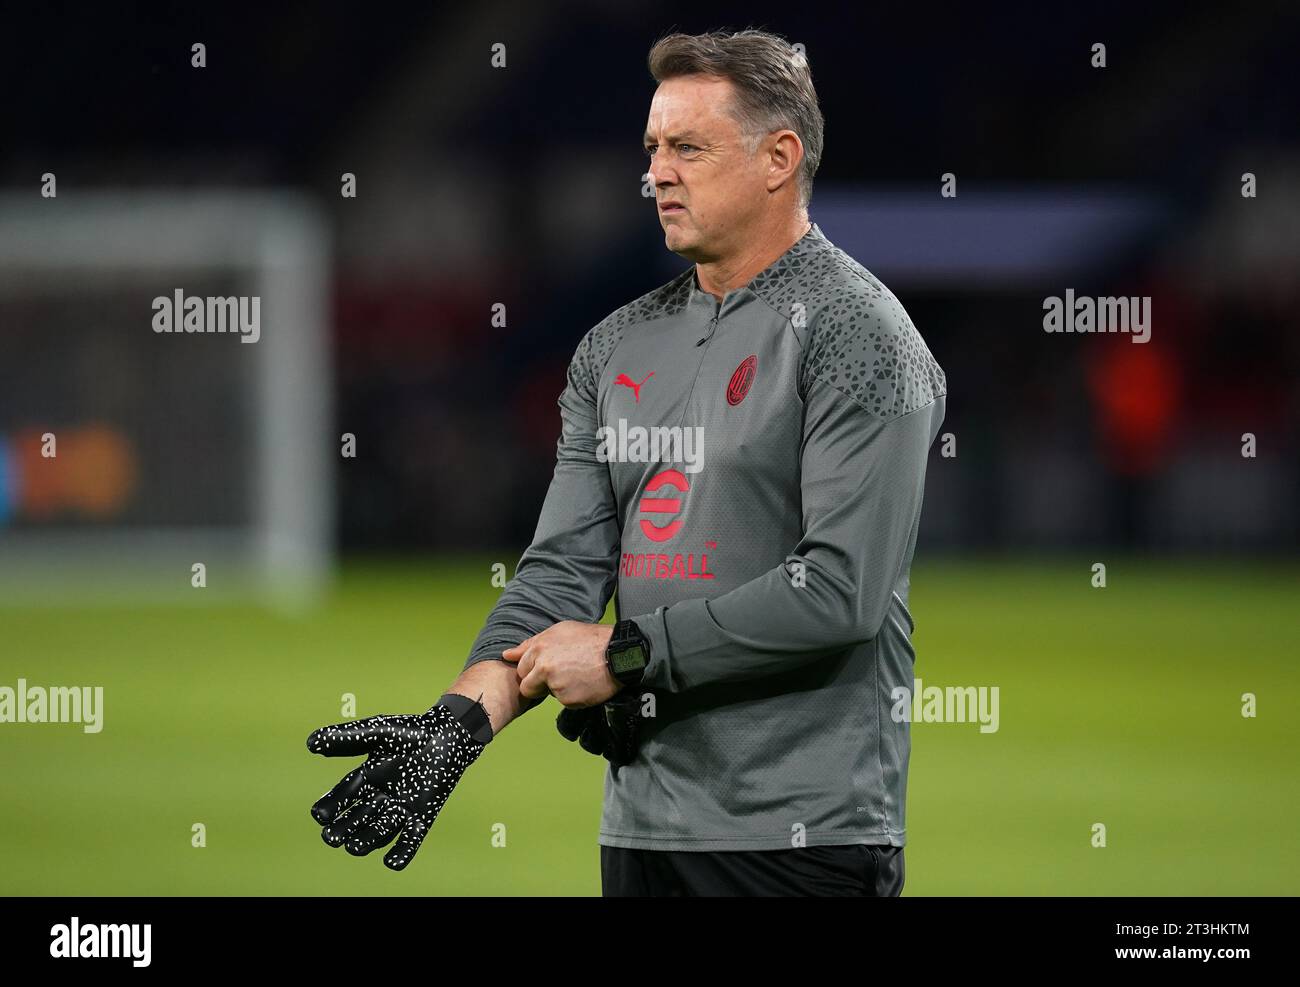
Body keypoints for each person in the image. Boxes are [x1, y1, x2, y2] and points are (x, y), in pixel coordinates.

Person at [307, 27, 946, 897]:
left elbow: (840, 592)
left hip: (804, 839)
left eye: (688, 147)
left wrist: (628, 653)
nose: (659, 173)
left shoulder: (858, 333)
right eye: (652, 149)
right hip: (643, 830)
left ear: (779, 159)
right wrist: (459, 723)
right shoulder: (613, 348)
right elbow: (561, 573)